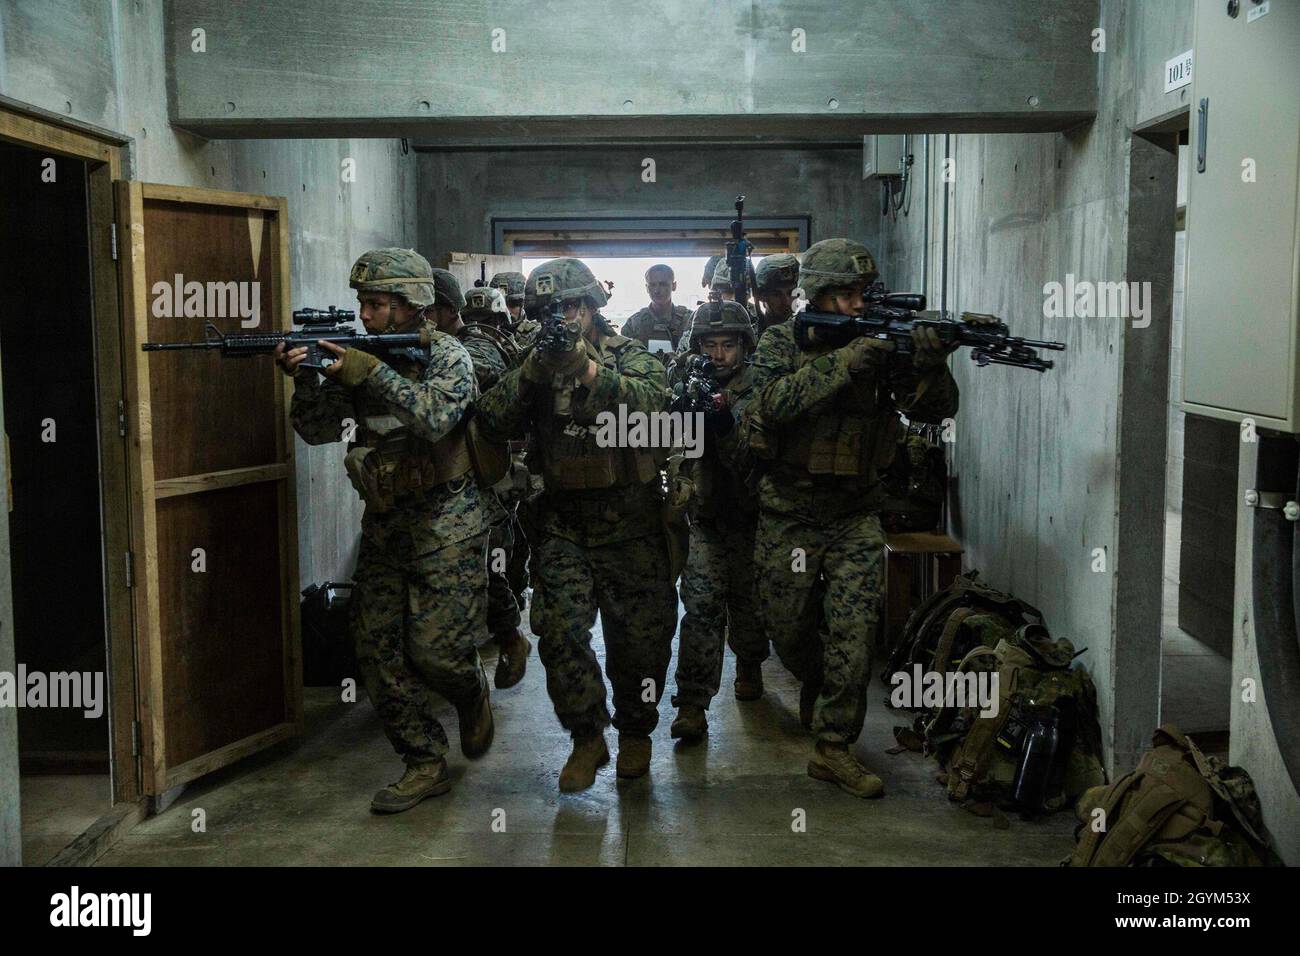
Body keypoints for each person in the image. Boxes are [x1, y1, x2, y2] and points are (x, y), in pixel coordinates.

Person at [744, 238, 965, 799]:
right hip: (789, 512)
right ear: (816, 295)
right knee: (786, 627)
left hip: (855, 514)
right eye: (843, 295)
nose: (856, 305)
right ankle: (817, 677)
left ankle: (834, 747)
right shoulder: (779, 342)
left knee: (855, 630)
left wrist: (932, 364)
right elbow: (769, 405)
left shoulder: (882, 347)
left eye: (862, 294)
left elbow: (933, 410)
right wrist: (842, 364)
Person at [278, 248, 493, 813]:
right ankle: (423, 762)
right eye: (362, 304)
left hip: (449, 523)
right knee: (375, 650)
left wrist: (366, 371)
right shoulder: (357, 356)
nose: (365, 315)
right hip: (385, 525)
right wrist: (306, 379)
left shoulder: (447, 355)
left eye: (375, 304)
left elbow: (435, 418)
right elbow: (319, 431)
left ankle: (471, 694)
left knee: (437, 653)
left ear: (411, 304)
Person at [477, 258, 678, 791]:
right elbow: (490, 421)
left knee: (642, 642)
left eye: (567, 307)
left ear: (590, 307)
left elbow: (657, 408)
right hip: (564, 524)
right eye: (547, 310)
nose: (558, 319)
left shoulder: (630, 353)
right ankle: (587, 735)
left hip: (631, 521)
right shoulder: (533, 363)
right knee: (560, 633)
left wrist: (587, 371)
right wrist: (529, 376)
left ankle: (637, 729)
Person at [668, 300, 768, 742]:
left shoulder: (763, 386)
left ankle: (749, 662)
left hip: (752, 515)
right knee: (701, 609)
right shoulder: (686, 380)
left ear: (745, 346)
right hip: (704, 516)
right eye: (710, 345)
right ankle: (692, 702)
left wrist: (724, 422)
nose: (719, 354)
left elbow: (754, 460)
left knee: (748, 607)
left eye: (729, 344)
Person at [429, 269, 532, 689]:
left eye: (429, 309)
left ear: (449, 310)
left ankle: (509, 637)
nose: (421, 317)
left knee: (486, 570)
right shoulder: (429, 347)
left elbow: (482, 383)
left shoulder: (475, 347)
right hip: (435, 479)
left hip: (478, 478)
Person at [620, 263, 693, 357]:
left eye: (663, 284)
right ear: (647, 288)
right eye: (652, 285)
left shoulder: (690, 320)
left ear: (674, 286)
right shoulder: (634, 323)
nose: (657, 290)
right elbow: (623, 358)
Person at [754, 253, 800, 334]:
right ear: (761, 296)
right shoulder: (750, 336)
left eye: (791, 293)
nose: (786, 301)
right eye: (776, 294)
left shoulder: (806, 334)